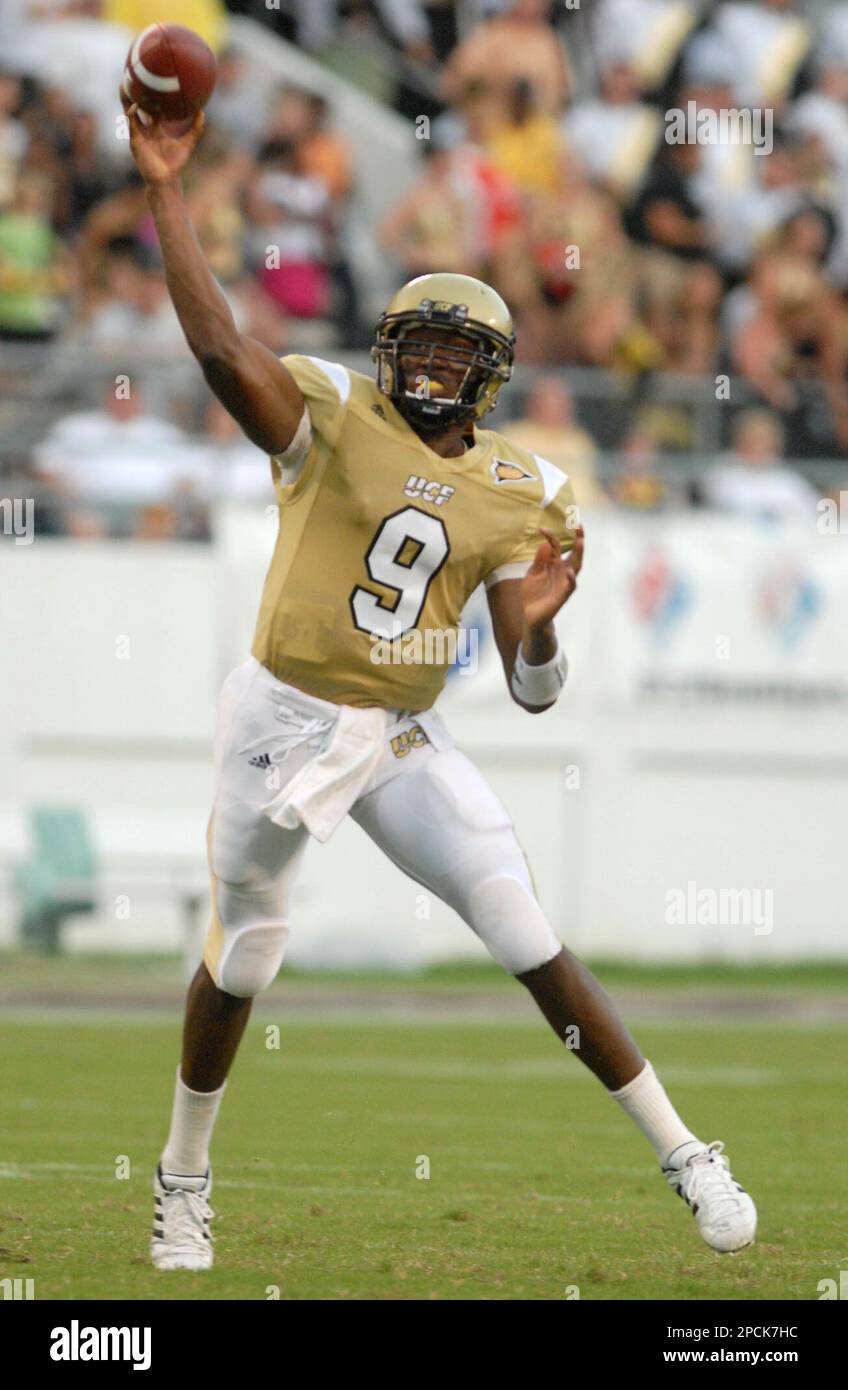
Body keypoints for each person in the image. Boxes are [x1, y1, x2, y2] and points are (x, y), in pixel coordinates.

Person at [124, 100, 757, 1272]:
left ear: (490, 377)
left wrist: (544, 636)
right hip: (279, 715)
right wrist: (165, 185)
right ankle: (183, 1177)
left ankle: (682, 1149)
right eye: (414, 346)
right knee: (249, 949)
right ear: (384, 350)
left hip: (397, 728)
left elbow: (531, 687)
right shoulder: (329, 410)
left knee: (520, 923)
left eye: (452, 355)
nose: (427, 368)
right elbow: (220, 349)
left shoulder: (524, 487)